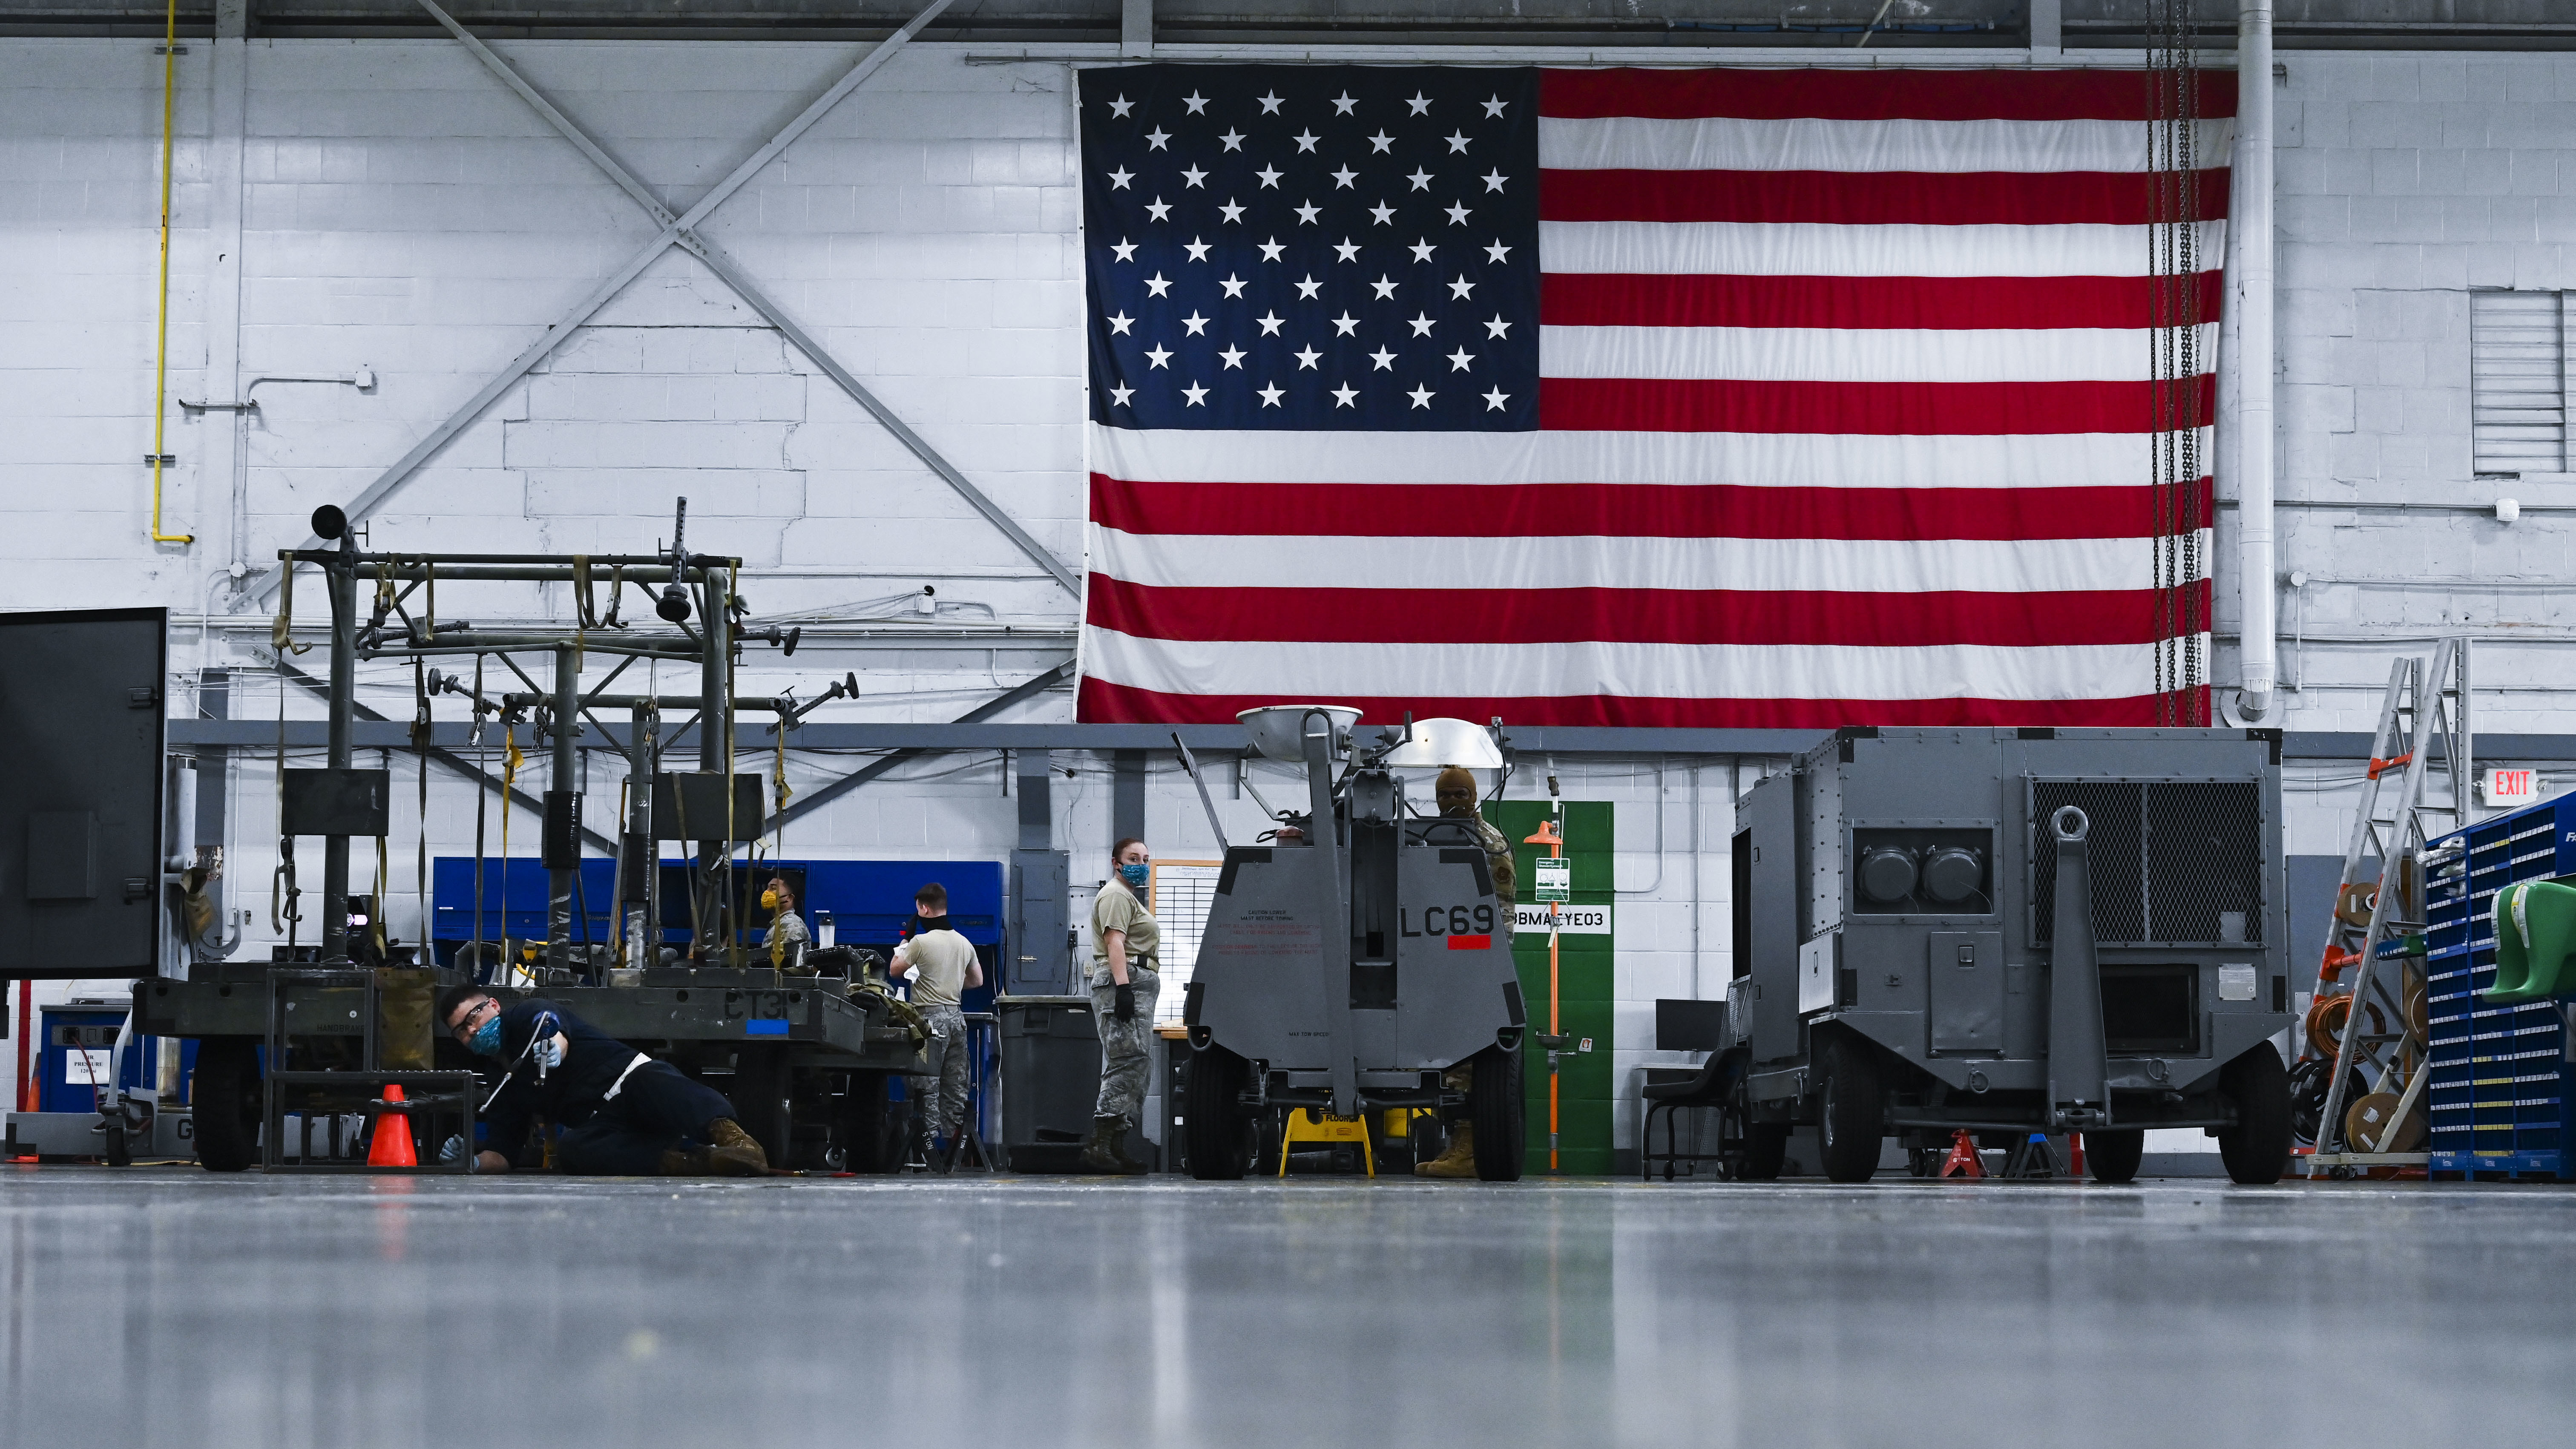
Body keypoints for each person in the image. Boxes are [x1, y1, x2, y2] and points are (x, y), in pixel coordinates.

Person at [436, 985, 770, 1176]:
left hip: (629, 1082)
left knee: (657, 1082)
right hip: (606, 1125)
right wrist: (474, 1162)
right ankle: (700, 1163)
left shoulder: (526, 1015)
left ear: (493, 1005)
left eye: (474, 1016)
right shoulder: (502, 1082)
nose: (472, 1030)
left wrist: (555, 1045)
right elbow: (504, 1153)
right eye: (461, 1031)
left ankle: (739, 1143)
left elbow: (551, 1021)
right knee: (575, 1150)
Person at [1417, 765, 1515, 1180]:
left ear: (1474, 797)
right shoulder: (1425, 839)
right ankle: (1459, 1141)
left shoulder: (1490, 843)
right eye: (1446, 795)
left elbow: (1501, 916)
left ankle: (1470, 1149)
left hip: (1476, 963)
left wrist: (1483, 970)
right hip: (1440, 961)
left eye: (1461, 794)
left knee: (1468, 1058)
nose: (1453, 802)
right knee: (1448, 1059)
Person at [890, 881, 983, 1170]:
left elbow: (895, 970)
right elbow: (977, 981)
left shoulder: (921, 943)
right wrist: (951, 983)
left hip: (929, 1019)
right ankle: (956, 1154)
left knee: (926, 1085)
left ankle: (927, 1153)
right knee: (955, 1086)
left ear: (923, 908)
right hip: (957, 1018)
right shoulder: (964, 942)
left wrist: (904, 944)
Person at [1083, 837, 1160, 1173]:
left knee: (1137, 1062)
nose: (1141, 864)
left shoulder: (1128, 896)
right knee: (1127, 1060)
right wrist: (1124, 988)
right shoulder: (1115, 894)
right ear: (1117, 863)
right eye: (1133, 858)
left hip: (1135, 980)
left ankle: (1115, 1144)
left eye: (1145, 858)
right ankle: (1100, 1144)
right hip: (1123, 979)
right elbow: (1115, 942)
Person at [762, 876, 811, 974]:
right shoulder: (781, 923)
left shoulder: (791, 925)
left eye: (773, 888)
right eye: (767, 888)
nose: (767, 893)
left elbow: (787, 968)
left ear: (789, 898)